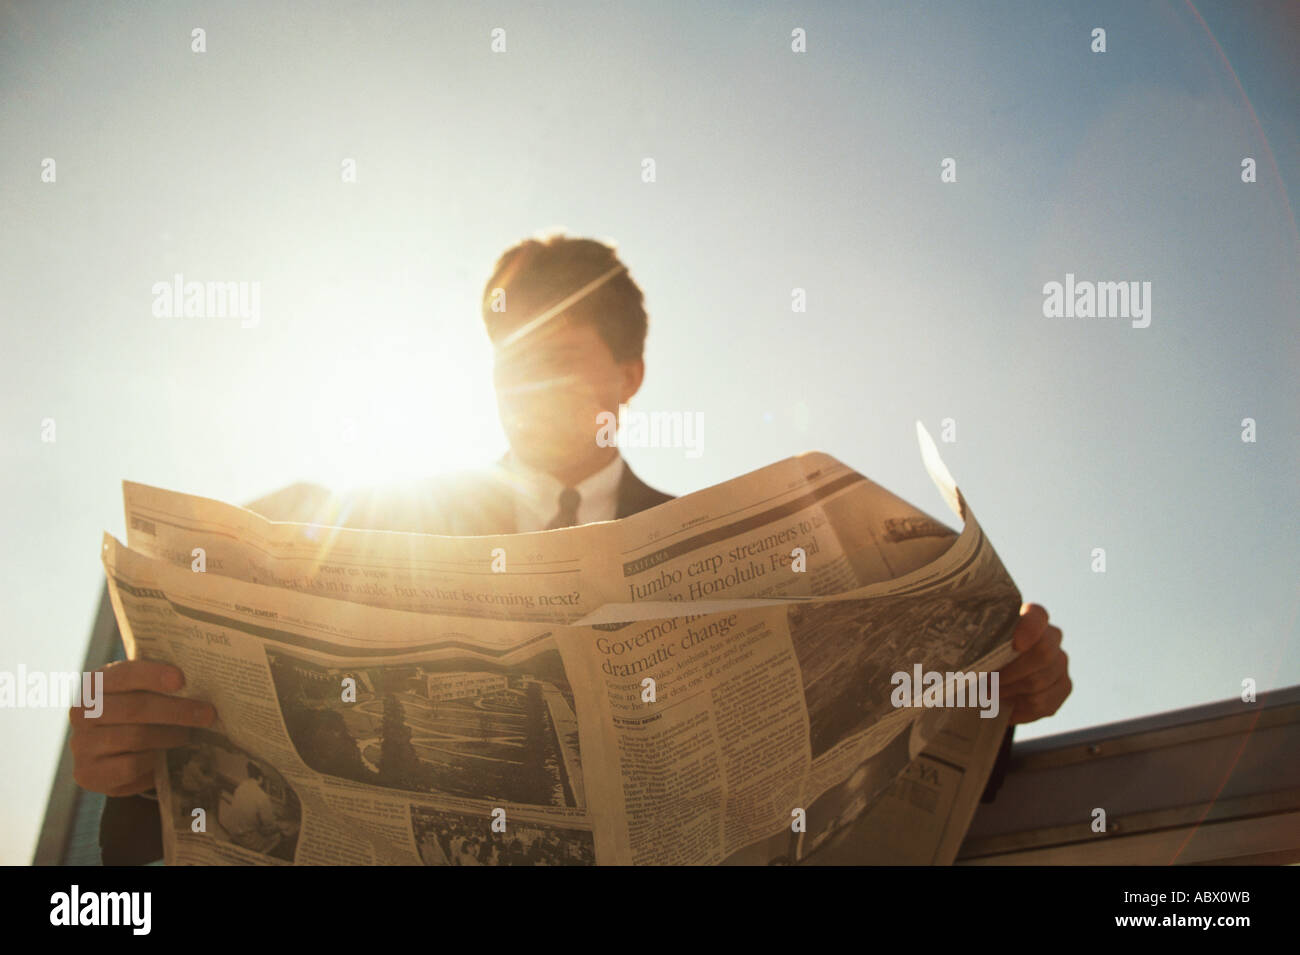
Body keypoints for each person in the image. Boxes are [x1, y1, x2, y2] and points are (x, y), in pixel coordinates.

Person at [70, 231, 1071, 865]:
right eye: (508, 359)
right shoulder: (370, 533)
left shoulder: (741, 566)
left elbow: (879, 781)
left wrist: (999, 690)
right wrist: (130, 773)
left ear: (626, 376)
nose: (524, 384)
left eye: (554, 356)